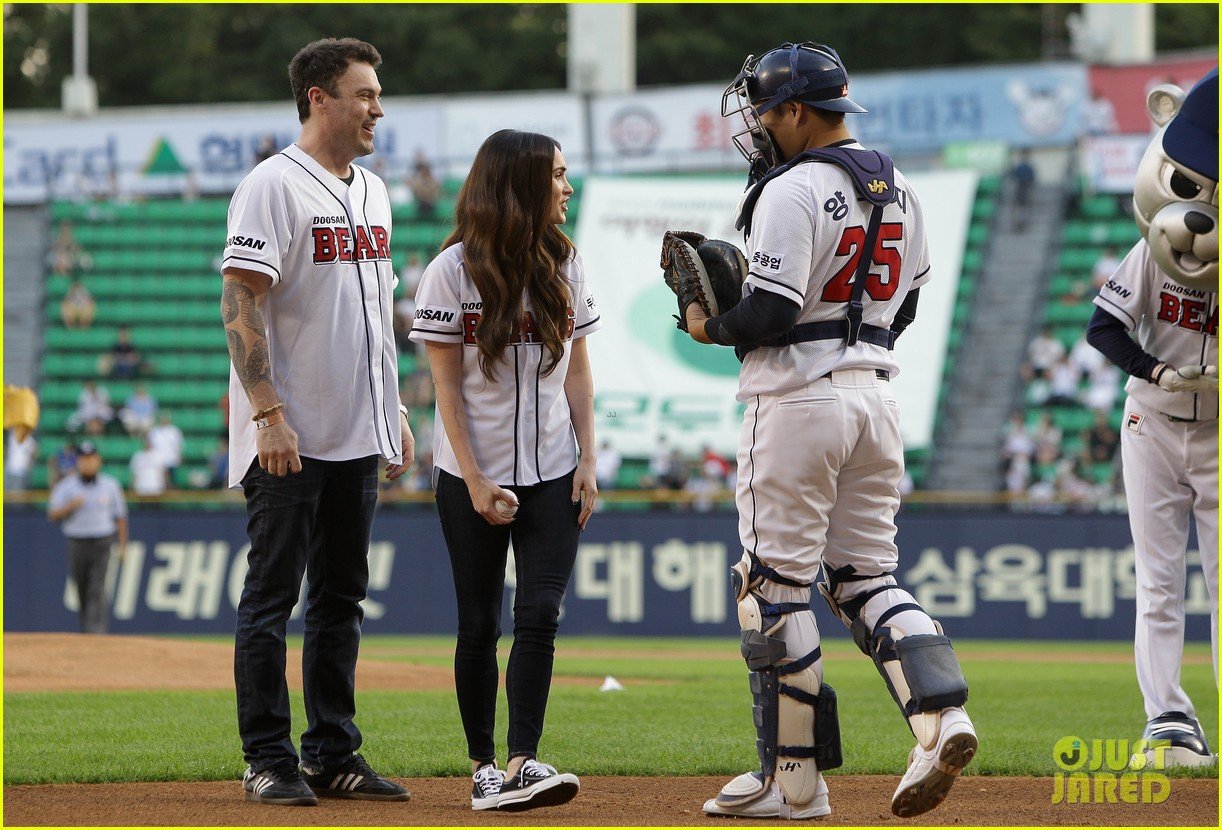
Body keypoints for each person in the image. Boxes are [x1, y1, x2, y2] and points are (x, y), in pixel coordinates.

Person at [678, 41, 976, 819]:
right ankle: (942, 718)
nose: (759, 126)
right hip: (877, 398)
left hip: (800, 402)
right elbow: (905, 308)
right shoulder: (903, 188)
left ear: (799, 110)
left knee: (771, 594)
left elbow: (769, 314)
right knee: (865, 580)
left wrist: (705, 324)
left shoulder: (794, 188)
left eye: (767, 111)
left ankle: (796, 784)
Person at [220, 37, 413, 807]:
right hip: (288, 439)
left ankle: (332, 751)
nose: (377, 107)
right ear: (319, 99)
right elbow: (239, 301)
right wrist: (267, 413)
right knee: (271, 599)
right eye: (364, 93)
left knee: (340, 601)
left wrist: (393, 406)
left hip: (359, 432)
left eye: (377, 92)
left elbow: (372, 316)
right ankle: (266, 757)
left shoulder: (374, 189)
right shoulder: (272, 185)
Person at [409, 129, 598, 812]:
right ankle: (483, 764)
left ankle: (524, 759)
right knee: (479, 621)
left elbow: (577, 369)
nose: (567, 187)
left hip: (553, 467)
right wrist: (476, 478)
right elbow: (446, 392)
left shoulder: (566, 263)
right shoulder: (451, 271)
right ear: (519, 184)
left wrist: (589, 460)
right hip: (469, 473)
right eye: (557, 175)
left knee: (540, 612)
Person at [46, 442, 127, 634]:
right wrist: (70, 507)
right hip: (77, 541)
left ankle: (96, 633)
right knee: (81, 587)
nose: (88, 463)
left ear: (98, 461)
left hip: (102, 540)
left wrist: (123, 546)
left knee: (97, 587)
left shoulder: (110, 485)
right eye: (84, 459)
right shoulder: (66, 487)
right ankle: (86, 633)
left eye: (91, 459)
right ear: (78, 462)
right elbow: (52, 515)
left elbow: (120, 518)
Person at [407, 153, 443, 219]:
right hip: (420, 204)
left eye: (426, 171)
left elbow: (437, 191)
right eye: (423, 172)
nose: (424, 173)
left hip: (431, 204)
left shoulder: (434, 181)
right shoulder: (417, 181)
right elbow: (415, 189)